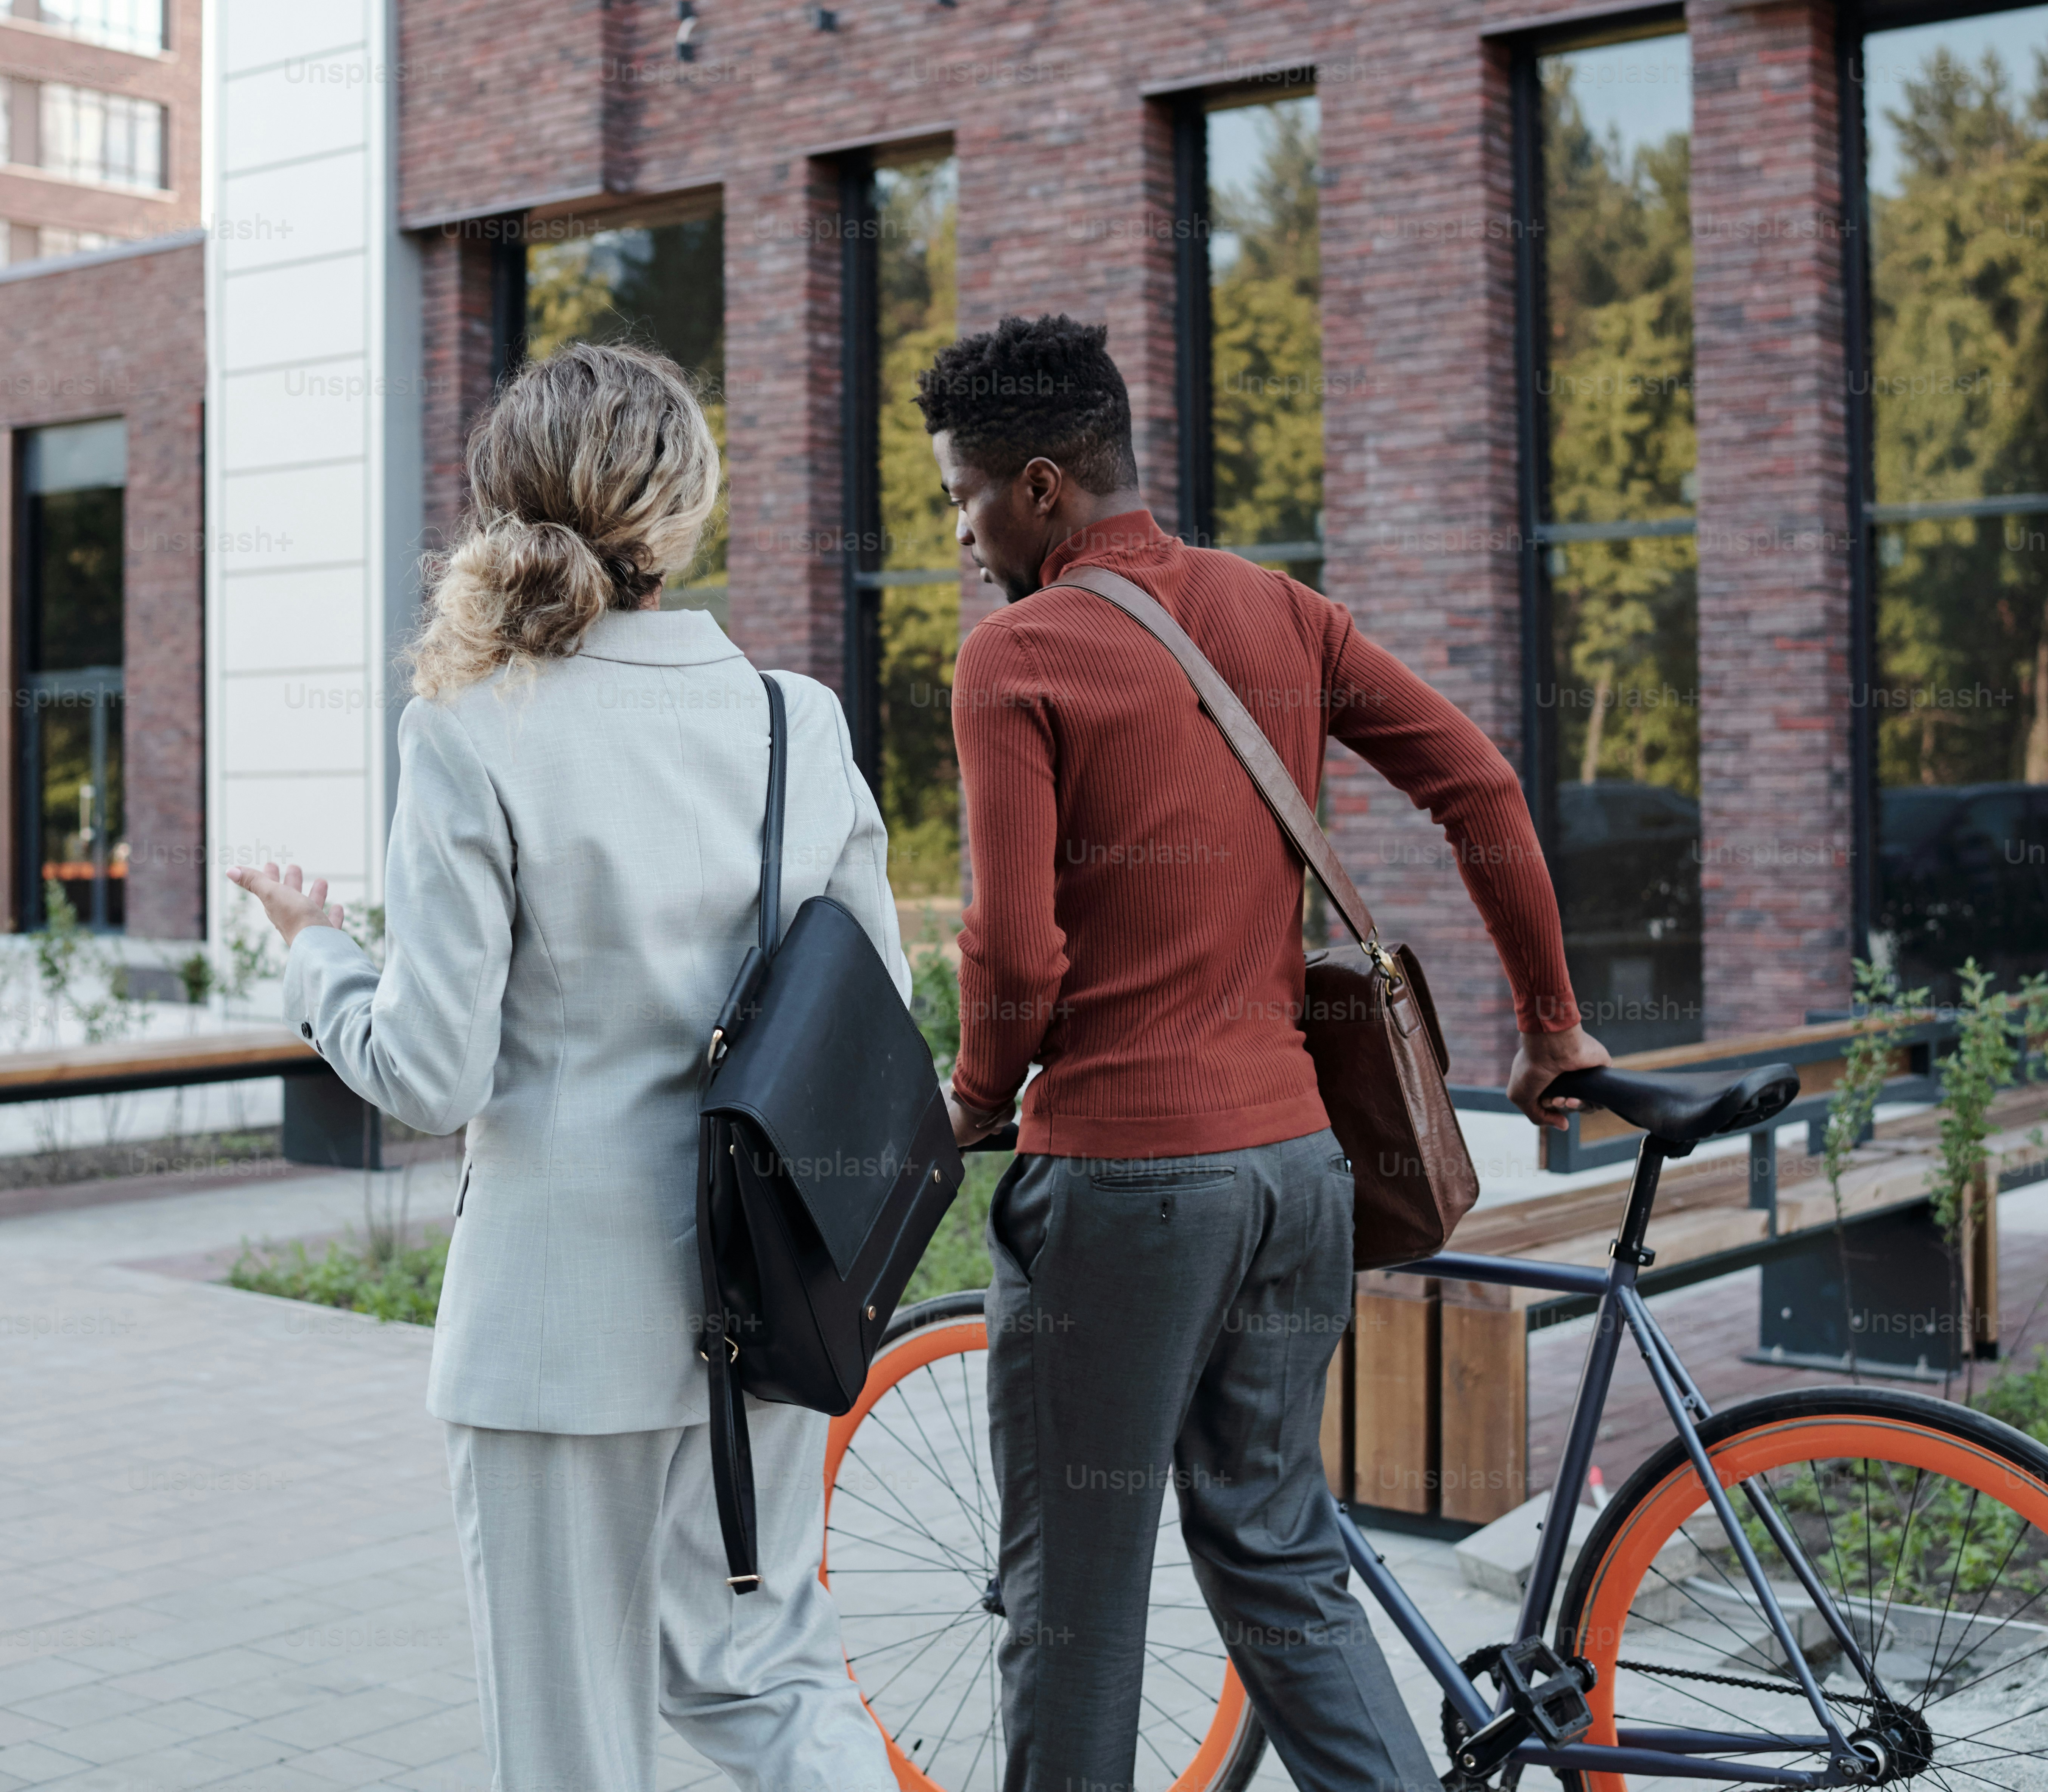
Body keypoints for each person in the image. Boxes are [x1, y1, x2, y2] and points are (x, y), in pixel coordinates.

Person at [921, 312, 1612, 1792]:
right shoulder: (1280, 613)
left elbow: (1016, 955)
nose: (961, 535)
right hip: (1300, 1175)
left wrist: (972, 1098)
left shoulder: (1017, 655)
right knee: (1280, 1552)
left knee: (1075, 1603)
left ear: (1040, 486)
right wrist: (1551, 1019)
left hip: (1124, 1183)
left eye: (964, 497)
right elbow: (1481, 783)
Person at [228, 342, 902, 1792]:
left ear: (504, 506)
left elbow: (428, 1073)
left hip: (552, 1328)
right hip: (769, 1296)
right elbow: (875, 1012)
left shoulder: (471, 728)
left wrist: (316, 953)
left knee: (571, 1746)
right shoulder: (798, 722)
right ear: (687, 509)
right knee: (772, 1686)